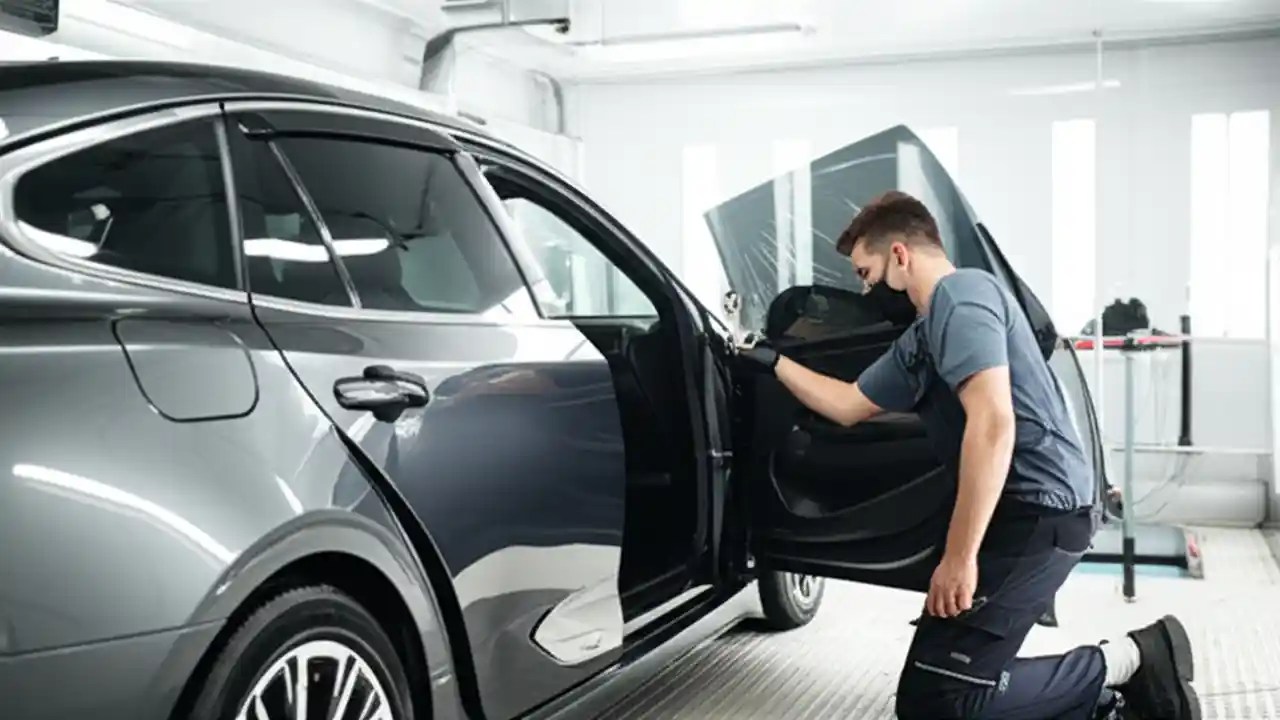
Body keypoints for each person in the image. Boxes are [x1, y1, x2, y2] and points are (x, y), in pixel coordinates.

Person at [737, 190, 1200, 720]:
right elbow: (847, 405)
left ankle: (1135, 658)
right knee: (938, 693)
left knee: (942, 699)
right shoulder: (925, 333)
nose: (863, 289)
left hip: (1041, 513)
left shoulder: (963, 295)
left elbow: (993, 424)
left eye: (866, 273)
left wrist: (959, 559)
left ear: (900, 256)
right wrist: (770, 361)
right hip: (1022, 513)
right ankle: (1108, 710)